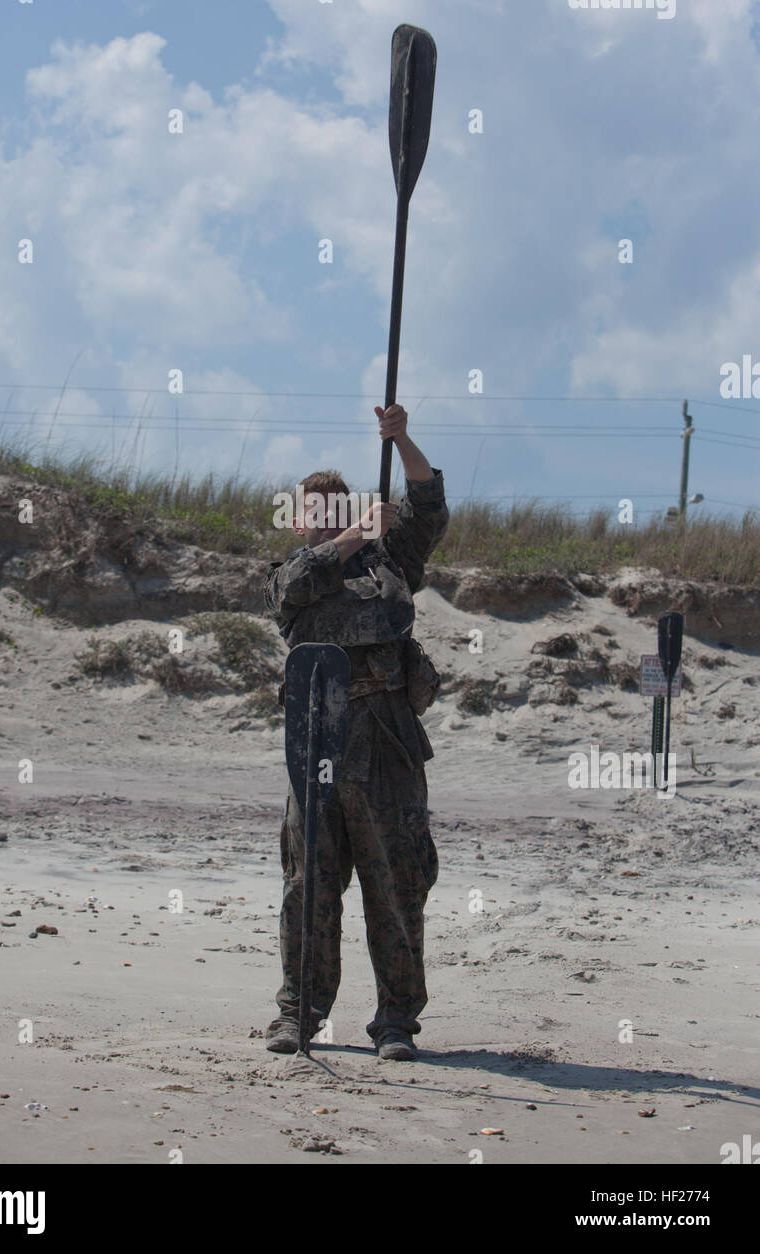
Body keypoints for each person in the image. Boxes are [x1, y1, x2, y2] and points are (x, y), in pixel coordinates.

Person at [263, 403, 449, 1060]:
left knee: (397, 881)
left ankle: (397, 1020)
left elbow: (429, 506)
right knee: (307, 884)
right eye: (309, 512)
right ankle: (300, 1012)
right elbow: (296, 585)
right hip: (317, 743)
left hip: (388, 742)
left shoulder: (390, 563)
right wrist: (346, 539)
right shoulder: (292, 575)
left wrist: (401, 443)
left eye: (332, 509)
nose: (320, 518)